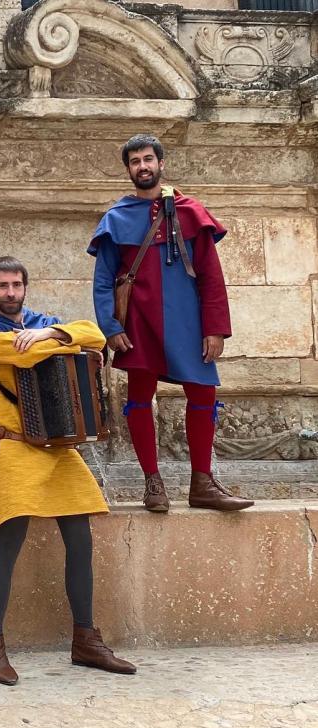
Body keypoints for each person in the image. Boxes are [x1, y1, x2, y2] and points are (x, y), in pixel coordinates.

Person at [0, 256, 135, 686]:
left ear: (25, 286)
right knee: (10, 543)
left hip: (58, 447)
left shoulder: (41, 322)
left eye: (16, 284)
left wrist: (51, 331)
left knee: (80, 539)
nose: (10, 291)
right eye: (2, 285)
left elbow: (96, 336)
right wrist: (59, 342)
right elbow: (23, 359)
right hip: (17, 449)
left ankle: (85, 640)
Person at [89, 134, 252, 513]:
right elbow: (103, 280)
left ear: (161, 164)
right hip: (141, 322)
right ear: (128, 169)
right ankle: (153, 483)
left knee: (203, 396)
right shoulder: (116, 218)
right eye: (134, 161)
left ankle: (203, 484)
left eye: (148, 159)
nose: (142, 166)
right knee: (139, 398)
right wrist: (111, 327)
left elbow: (211, 276)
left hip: (190, 322)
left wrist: (215, 327)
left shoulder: (192, 211)